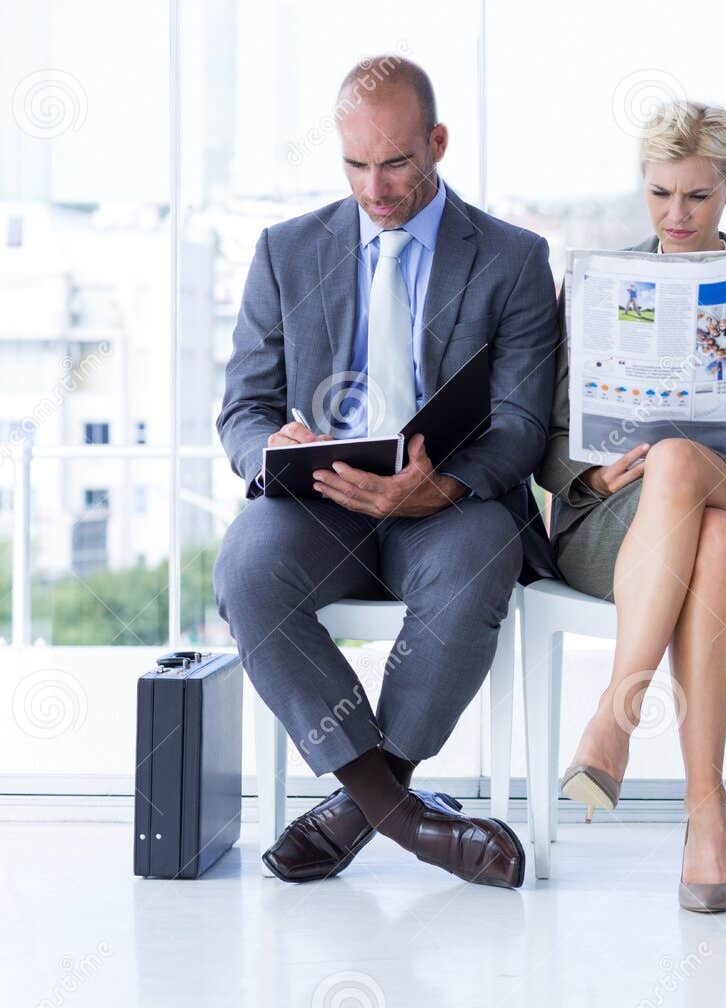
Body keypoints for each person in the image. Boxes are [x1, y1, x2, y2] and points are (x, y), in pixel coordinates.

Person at [215, 56, 561, 889]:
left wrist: (437, 485)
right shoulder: (285, 251)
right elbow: (242, 410)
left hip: (449, 502)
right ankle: (407, 818)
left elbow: (521, 426)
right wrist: (275, 446)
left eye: (398, 162)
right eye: (356, 164)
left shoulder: (513, 259)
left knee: (483, 554)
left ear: (436, 143)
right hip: (322, 503)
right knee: (245, 568)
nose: (375, 186)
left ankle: (361, 801)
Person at [536, 100, 726, 912]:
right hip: (610, 521)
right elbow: (551, 444)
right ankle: (707, 820)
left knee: (694, 469)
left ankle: (615, 720)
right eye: (660, 195)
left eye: (696, 196)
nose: (676, 215)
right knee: (714, 542)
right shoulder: (593, 288)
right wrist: (589, 477)